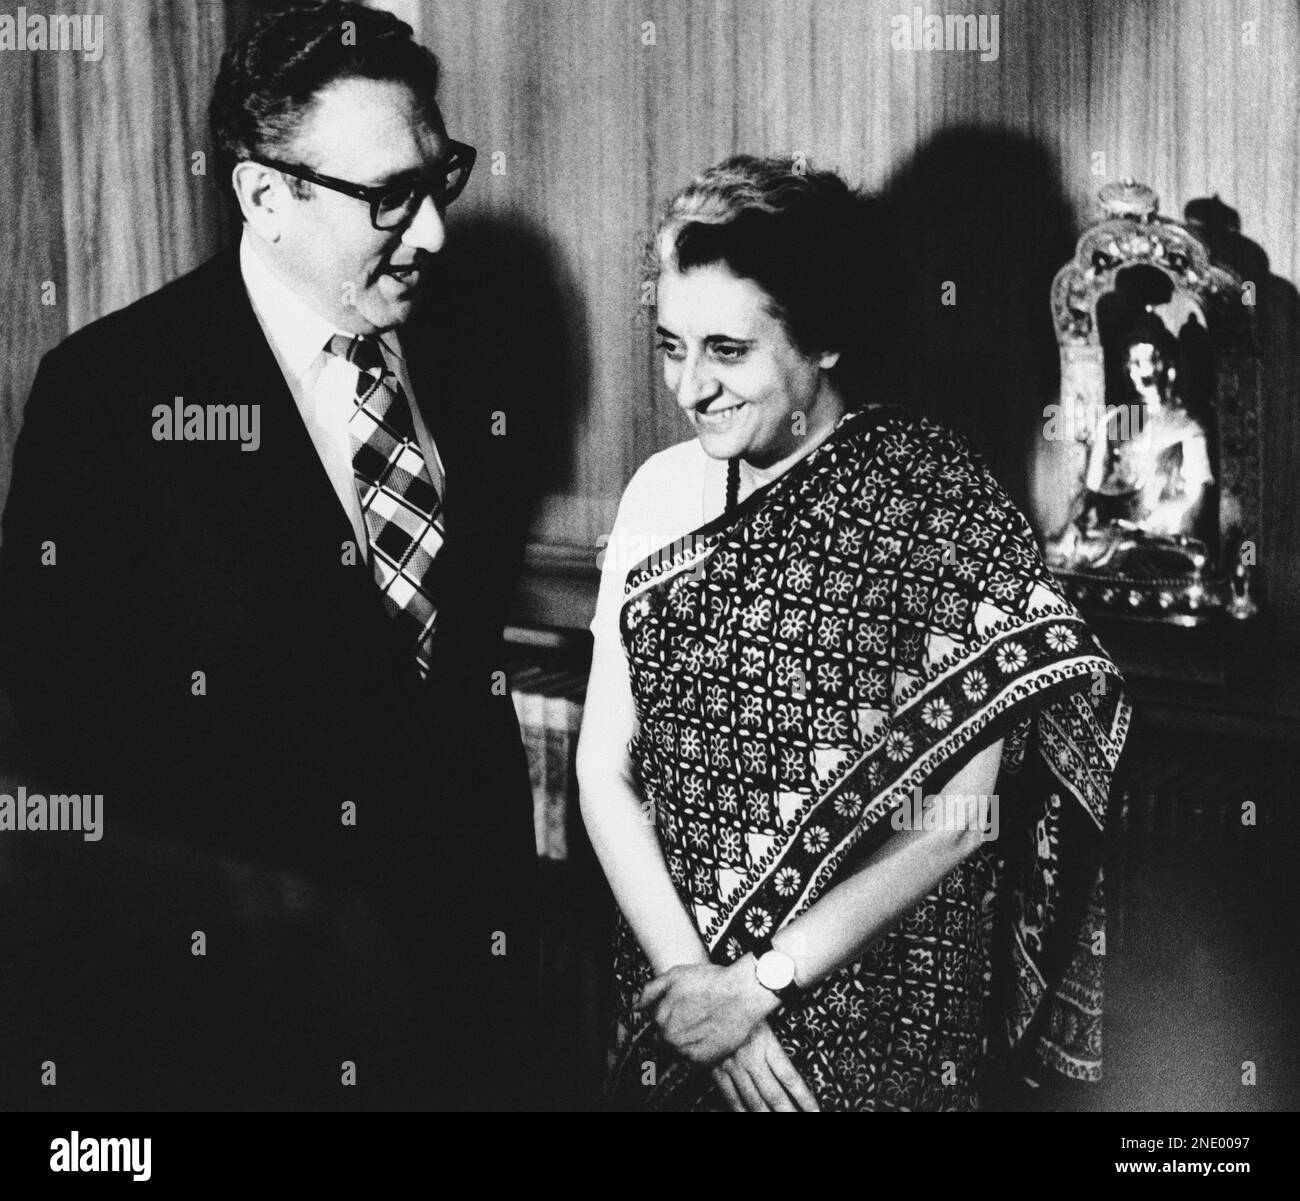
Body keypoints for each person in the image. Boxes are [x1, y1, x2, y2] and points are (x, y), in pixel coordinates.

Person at [0, 0, 536, 1110]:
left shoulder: (474, 355)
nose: (432, 230)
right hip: (232, 1022)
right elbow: (62, 746)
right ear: (263, 193)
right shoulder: (111, 396)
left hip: (454, 1003)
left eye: (441, 179)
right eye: (389, 196)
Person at [577, 156, 1132, 1112]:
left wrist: (759, 984)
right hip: (675, 994)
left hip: (877, 1004)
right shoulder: (657, 495)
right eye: (671, 346)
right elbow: (601, 771)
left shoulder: (938, 501)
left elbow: (961, 819)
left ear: (825, 337)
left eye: (727, 350)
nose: (689, 387)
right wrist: (699, 994)